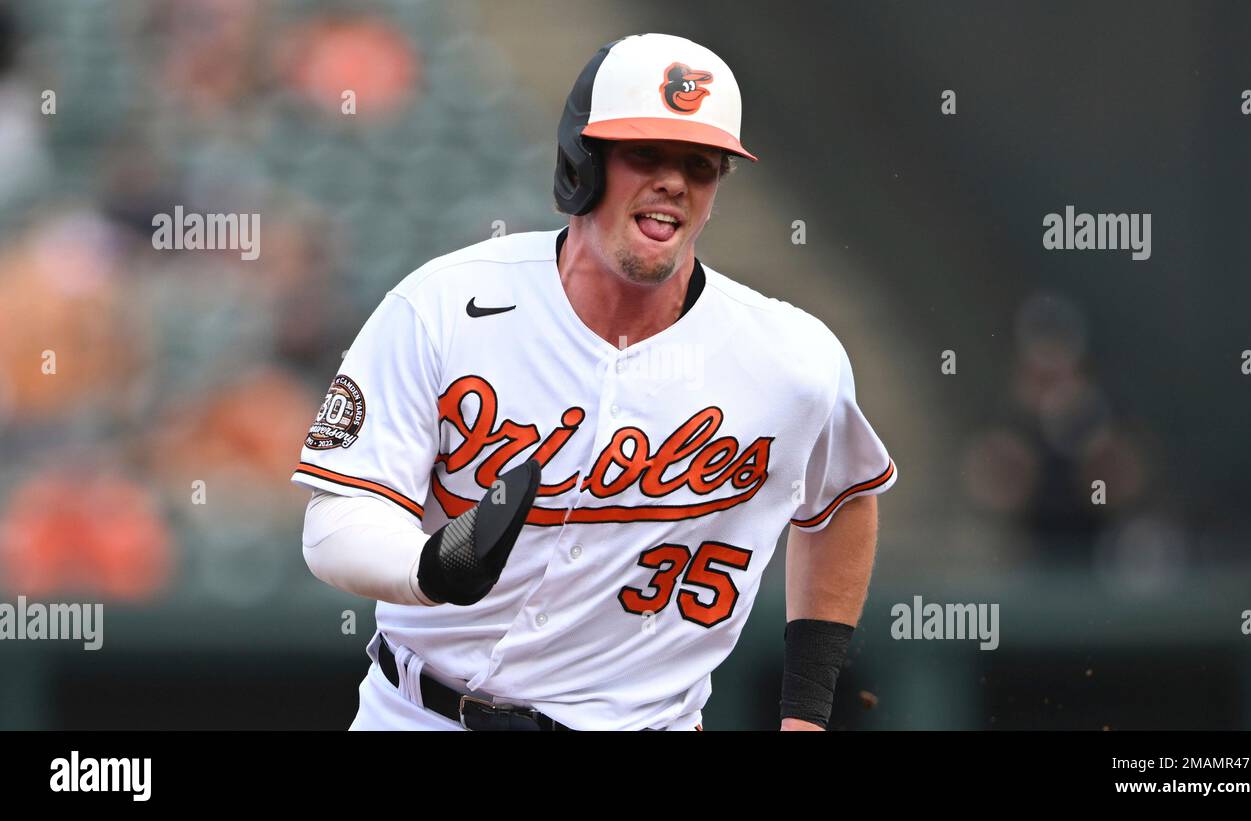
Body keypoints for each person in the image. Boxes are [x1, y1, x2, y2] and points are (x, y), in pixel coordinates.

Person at [292, 33, 896, 731]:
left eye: (700, 165)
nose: (674, 181)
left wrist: (807, 714)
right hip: (419, 715)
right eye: (645, 153)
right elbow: (335, 523)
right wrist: (428, 568)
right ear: (582, 162)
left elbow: (845, 500)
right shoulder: (445, 307)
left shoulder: (791, 359)